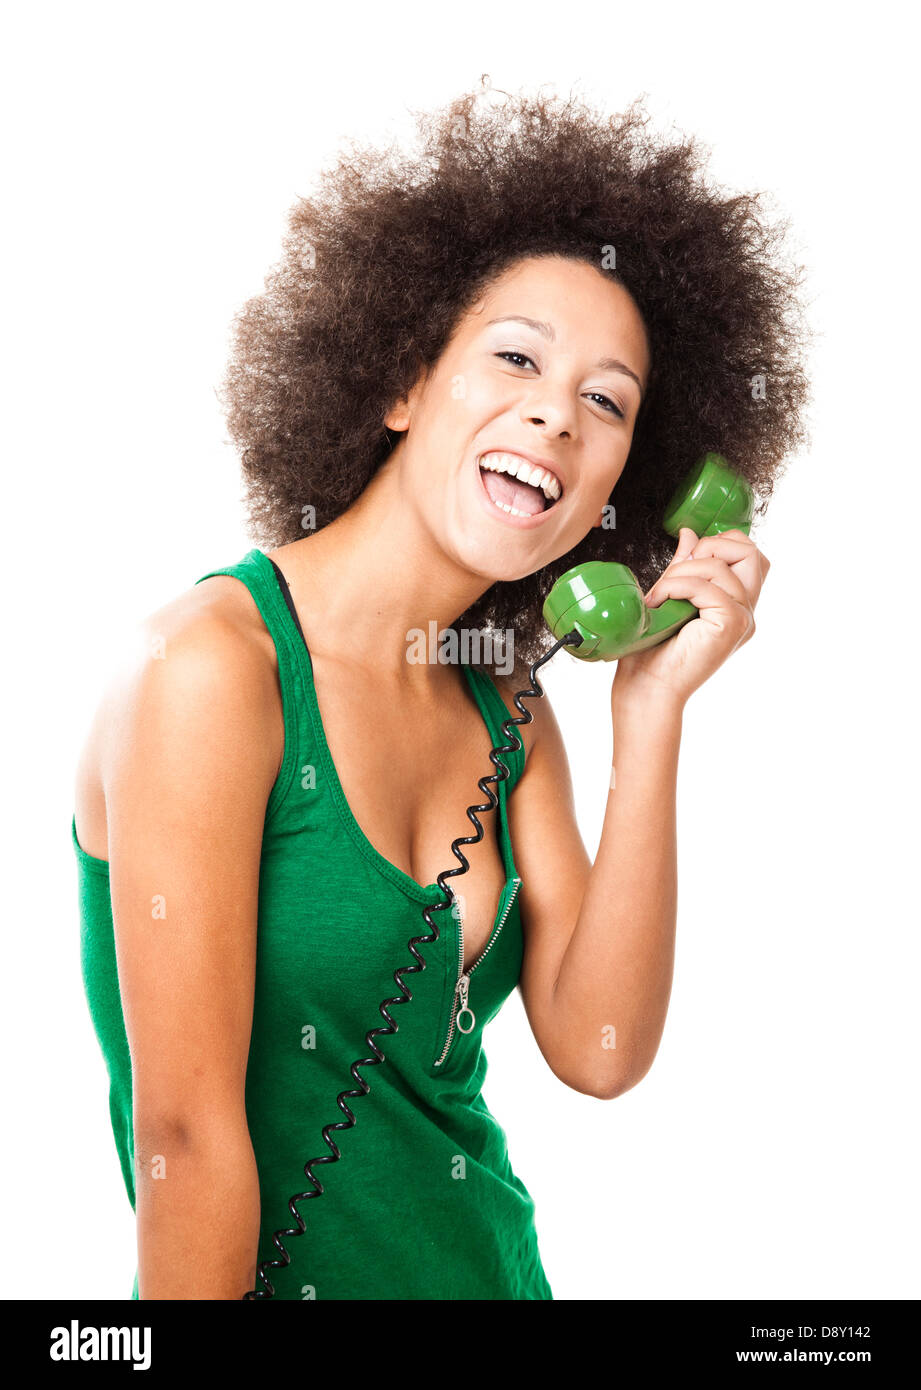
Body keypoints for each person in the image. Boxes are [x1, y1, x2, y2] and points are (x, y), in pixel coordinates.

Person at [72, 81, 809, 1300]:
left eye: (607, 400)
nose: (555, 416)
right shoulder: (210, 667)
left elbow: (600, 1047)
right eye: (516, 355)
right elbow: (187, 1144)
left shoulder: (505, 706)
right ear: (403, 380)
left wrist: (649, 712)